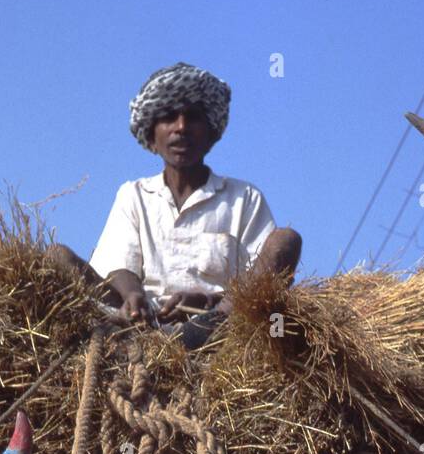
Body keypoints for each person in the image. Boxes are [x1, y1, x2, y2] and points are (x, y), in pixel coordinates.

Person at [49, 62, 301, 342]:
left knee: (285, 240)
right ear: (151, 137)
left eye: (192, 118)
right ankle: (130, 328)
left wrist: (208, 302)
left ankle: (205, 330)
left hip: (219, 323)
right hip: (143, 321)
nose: (181, 127)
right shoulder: (134, 194)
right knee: (56, 256)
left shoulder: (244, 198)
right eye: (169, 117)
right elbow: (118, 263)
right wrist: (134, 296)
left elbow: (259, 283)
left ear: (210, 134)